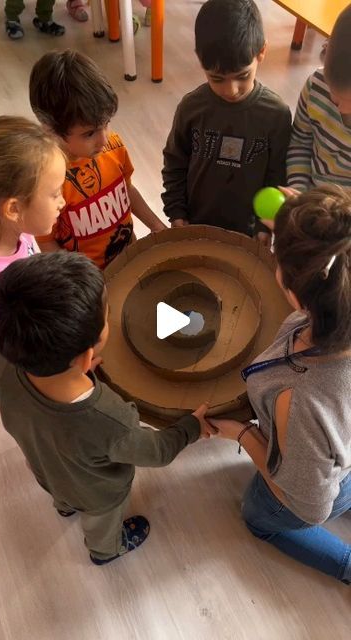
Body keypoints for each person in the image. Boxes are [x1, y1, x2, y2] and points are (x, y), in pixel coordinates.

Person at [0, 251, 212, 564]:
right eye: (106, 319)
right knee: (102, 523)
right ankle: (106, 550)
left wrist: (71, 372)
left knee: (62, 492)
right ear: (85, 357)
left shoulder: (3, 361)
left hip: (43, 467)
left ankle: (64, 506)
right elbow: (157, 452)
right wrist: (191, 426)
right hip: (98, 495)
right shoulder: (107, 418)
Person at [209, 185, 351, 584]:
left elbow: (310, 506)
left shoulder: (301, 397)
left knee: (259, 517)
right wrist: (301, 220)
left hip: (317, 485)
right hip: (340, 444)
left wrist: (241, 433)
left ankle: (347, 564)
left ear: (291, 291)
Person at [162, 0, 291, 245]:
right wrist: (176, 211)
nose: (230, 90)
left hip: (248, 232)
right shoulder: (191, 108)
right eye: (216, 78)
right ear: (200, 60)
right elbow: (175, 162)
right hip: (196, 222)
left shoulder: (276, 114)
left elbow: (277, 176)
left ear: (261, 52)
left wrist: (265, 225)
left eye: (242, 76)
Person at [29, 50, 166, 270]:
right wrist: (83, 284)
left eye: (106, 123)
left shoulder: (113, 144)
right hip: (90, 280)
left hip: (130, 258)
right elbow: (47, 243)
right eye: (89, 133)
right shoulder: (47, 180)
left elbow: (127, 191)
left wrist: (156, 224)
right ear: (52, 130)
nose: (104, 139)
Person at [0, 115, 66, 283]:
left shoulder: (20, 231)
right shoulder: (0, 282)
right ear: (14, 209)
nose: (62, 203)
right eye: (55, 194)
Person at [287, 5, 351, 192]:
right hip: (312, 196)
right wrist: (299, 193)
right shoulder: (317, 84)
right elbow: (300, 142)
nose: (342, 109)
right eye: (334, 93)